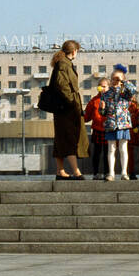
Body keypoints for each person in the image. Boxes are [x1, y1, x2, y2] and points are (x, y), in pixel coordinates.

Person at [47, 40, 87, 178]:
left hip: (62, 108)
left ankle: (60, 170)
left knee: (61, 139)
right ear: (74, 51)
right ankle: (76, 171)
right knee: (70, 138)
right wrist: (71, 101)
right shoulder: (64, 64)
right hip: (66, 109)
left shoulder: (63, 63)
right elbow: (62, 85)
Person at [101, 66, 138, 181]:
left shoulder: (125, 92)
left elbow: (133, 90)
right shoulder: (106, 94)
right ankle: (111, 173)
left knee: (123, 148)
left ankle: (124, 173)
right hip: (111, 124)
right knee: (111, 149)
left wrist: (123, 81)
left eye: (117, 79)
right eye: (113, 78)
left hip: (123, 124)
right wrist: (102, 109)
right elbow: (103, 113)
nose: (115, 81)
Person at [83, 79, 107, 179]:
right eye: (100, 86)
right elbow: (87, 116)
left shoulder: (111, 99)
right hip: (97, 130)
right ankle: (96, 173)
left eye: (104, 86)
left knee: (108, 153)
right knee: (97, 153)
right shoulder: (94, 100)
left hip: (108, 130)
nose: (102, 88)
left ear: (109, 87)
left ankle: (108, 173)